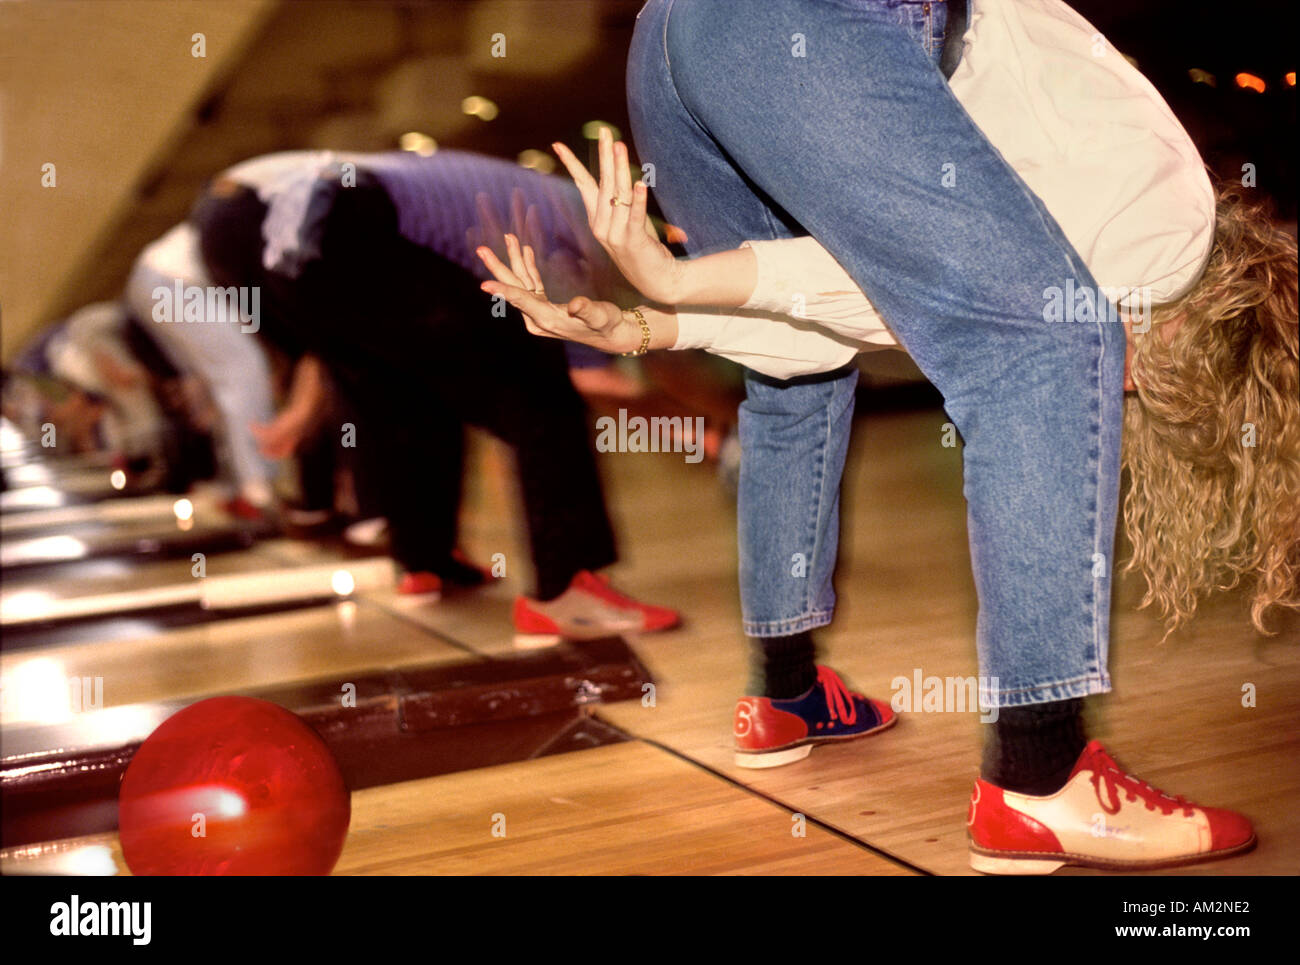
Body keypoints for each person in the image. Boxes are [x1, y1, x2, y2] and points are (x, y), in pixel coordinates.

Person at [478, 0, 1292, 872]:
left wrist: (655, 318)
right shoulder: (1170, 221)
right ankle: (1041, 776)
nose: (1130, 390)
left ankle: (786, 696)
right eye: (1161, 378)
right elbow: (996, 316)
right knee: (1052, 342)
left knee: (798, 380)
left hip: (679, 43)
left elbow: (845, 306)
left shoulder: (1104, 170)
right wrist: (676, 289)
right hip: (827, 25)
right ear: (1217, 322)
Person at [190, 149, 679, 642]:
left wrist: (298, 412)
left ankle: (425, 561)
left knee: (405, 389)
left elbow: (332, 320)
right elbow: (592, 378)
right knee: (536, 382)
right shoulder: (581, 227)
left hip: (234, 230)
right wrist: (702, 430)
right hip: (340, 215)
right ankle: (569, 591)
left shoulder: (548, 199)